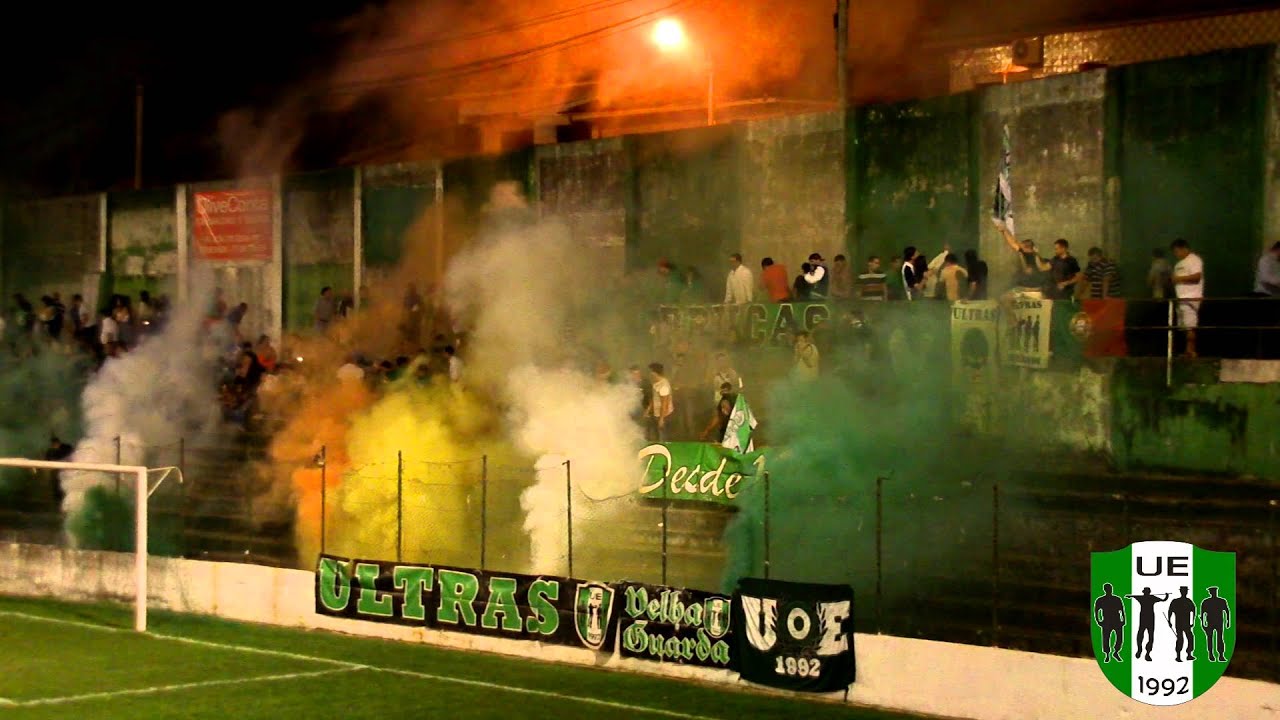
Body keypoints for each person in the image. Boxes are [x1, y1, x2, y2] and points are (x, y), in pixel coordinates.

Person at [1171, 238, 1204, 358]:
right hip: (1180, 298)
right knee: (1184, 326)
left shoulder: (1194, 259)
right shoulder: (1178, 264)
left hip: (1191, 297)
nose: (1176, 254)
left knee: (1190, 325)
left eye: (1177, 251)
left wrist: (1178, 279)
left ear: (1184, 248)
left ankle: (1191, 351)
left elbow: (1197, 277)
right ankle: (1186, 350)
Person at [1124, 587, 1170, 661]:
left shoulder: (1147, 597)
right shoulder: (1149, 597)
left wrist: (1167, 596)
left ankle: (1147, 653)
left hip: (1148, 618)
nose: (1146, 592)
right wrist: (1167, 595)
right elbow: (1164, 599)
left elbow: (1164, 600)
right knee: (1143, 634)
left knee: (1148, 635)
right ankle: (1140, 650)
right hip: (1146, 618)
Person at [1093, 583, 1126, 663]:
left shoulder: (1117, 599)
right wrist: (1098, 620)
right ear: (1105, 590)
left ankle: (1116, 652)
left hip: (1117, 620)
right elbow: (1096, 611)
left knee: (1119, 638)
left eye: (1110, 588)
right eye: (1108, 589)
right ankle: (1107, 654)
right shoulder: (1100, 600)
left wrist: (1123, 619)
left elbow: (1122, 610)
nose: (1109, 590)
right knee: (1106, 638)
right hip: (1107, 621)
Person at [1200, 586, 1231, 662]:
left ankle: (1221, 654)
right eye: (1212, 592)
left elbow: (1227, 611)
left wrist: (1228, 621)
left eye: (1213, 591)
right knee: (1210, 638)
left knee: (1219, 638)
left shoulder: (1221, 601)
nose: (1213, 593)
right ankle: (1211, 654)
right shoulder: (1206, 602)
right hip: (1210, 622)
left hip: (1219, 622)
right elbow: (1202, 614)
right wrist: (1203, 623)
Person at [645, 363, 674, 442]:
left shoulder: (664, 385)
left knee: (662, 437)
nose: (650, 373)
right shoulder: (655, 383)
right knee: (656, 435)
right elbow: (654, 398)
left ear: (655, 372)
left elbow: (665, 403)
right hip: (657, 414)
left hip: (665, 415)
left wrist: (662, 419)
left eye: (651, 371)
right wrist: (648, 409)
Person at [1168, 586, 1196, 662]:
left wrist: (1192, 621)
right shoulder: (1176, 601)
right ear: (1181, 592)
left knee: (1190, 638)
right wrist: (1169, 621)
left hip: (1186, 624)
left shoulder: (1188, 601)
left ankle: (1189, 654)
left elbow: (1194, 611)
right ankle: (1178, 656)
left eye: (1185, 591)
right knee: (1181, 639)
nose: (1185, 592)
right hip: (1179, 623)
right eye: (1184, 591)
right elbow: (1170, 611)